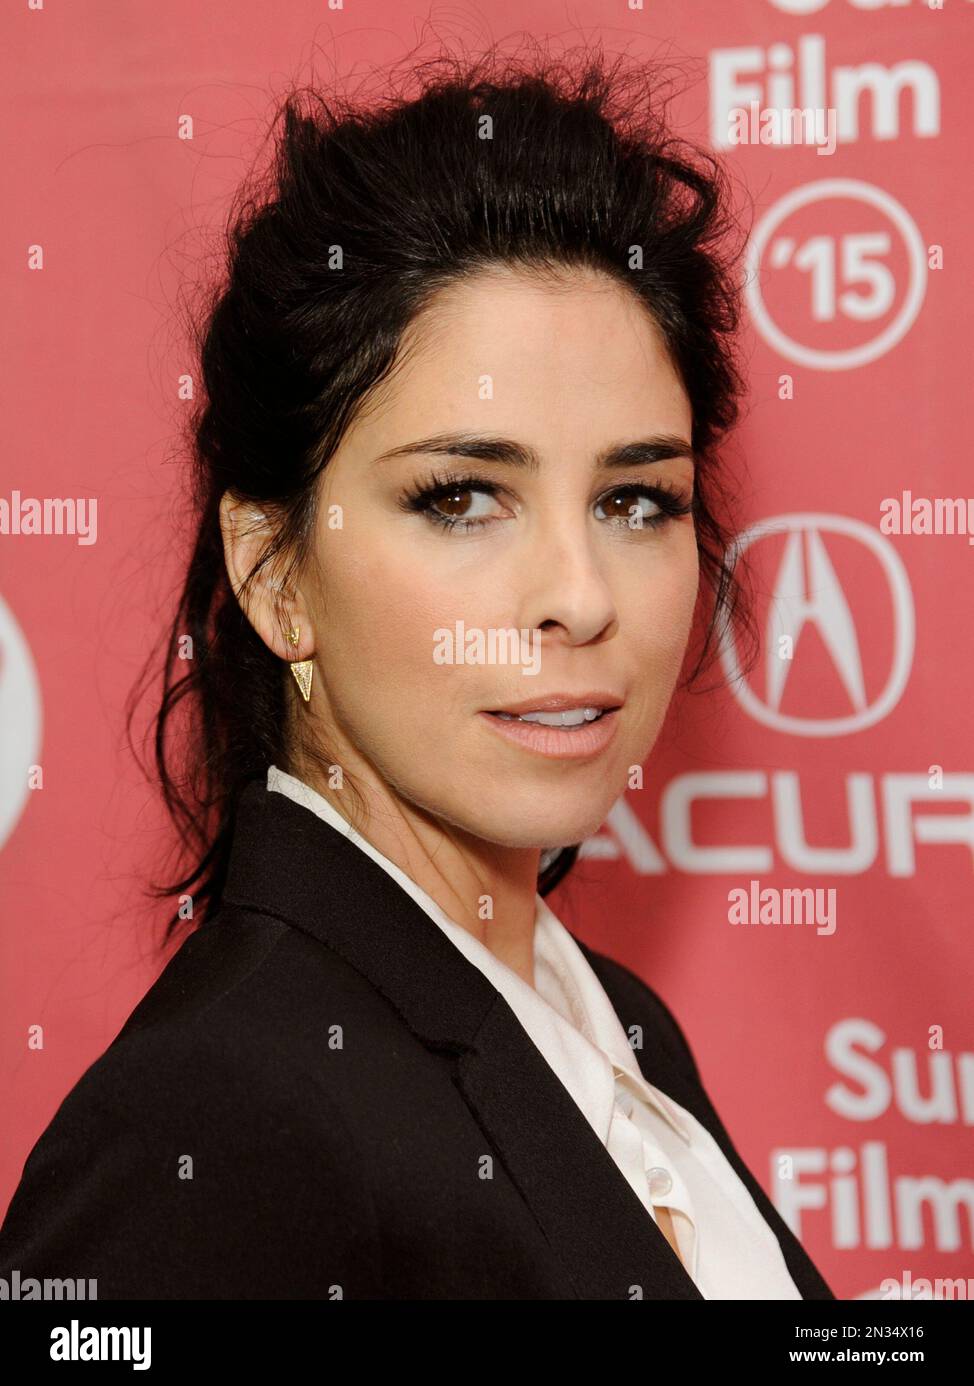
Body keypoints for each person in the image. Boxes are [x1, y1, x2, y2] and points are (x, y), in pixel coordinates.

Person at [0, 47, 835, 1300]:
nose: (579, 594)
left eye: (634, 498)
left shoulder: (609, 1018)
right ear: (274, 570)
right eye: (460, 498)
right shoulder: (221, 1113)